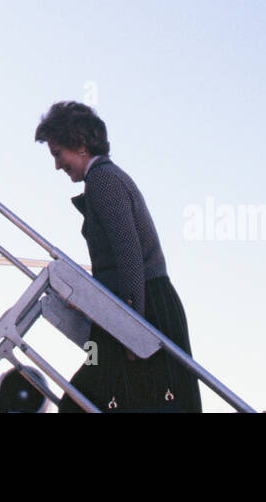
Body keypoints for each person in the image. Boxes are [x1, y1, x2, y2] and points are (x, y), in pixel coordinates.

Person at [35, 101, 202, 413]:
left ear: (81, 145)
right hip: (134, 306)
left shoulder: (103, 181)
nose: (57, 165)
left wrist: (131, 328)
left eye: (58, 154)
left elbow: (129, 257)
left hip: (140, 307)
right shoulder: (105, 178)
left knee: (86, 400)